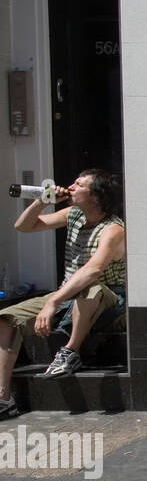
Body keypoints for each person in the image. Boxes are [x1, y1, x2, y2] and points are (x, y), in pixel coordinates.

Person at [0, 169, 126, 418]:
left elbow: (93, 270)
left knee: (90, 286)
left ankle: (70, 352)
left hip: (108, 298)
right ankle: (3, 398)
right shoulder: (74, 214)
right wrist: (41, 202)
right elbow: (23, 226)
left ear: (96, 197)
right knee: (4, 318)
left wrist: (53, 301)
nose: (70, 186)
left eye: (79, 184)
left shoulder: (113, 229)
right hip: (68, 294)